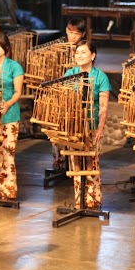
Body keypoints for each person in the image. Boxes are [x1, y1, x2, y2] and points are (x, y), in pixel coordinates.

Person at [63, 41, 111, 209]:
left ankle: (92, 200)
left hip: (92, 125)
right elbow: (64, 100)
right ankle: (79, 200)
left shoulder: (101, 77)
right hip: (74, 126)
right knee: (76, 161)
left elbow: (103, 106)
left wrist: (99, 129)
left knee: (91, 161)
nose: (79, 55)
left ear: (93, 55)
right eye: (77, 52)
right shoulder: (70, 74)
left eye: (83, 52)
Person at [0, 32, 24, 199]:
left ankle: (7, 191)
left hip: (9, 114)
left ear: (6, 47)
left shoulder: (14, 66)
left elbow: (18, 92)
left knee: (7, 153)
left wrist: (7, 104)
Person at [51, 17, 87, 171]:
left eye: (76, 34)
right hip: (60, 93)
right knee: (57, 129)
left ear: (83, 34)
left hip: (76, 94)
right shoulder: (59, 49)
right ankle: (59, 162)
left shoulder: (84, 49)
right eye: (70, 32)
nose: (73, 36)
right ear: (66, 30)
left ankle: (75, 164)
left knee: (75, 129)